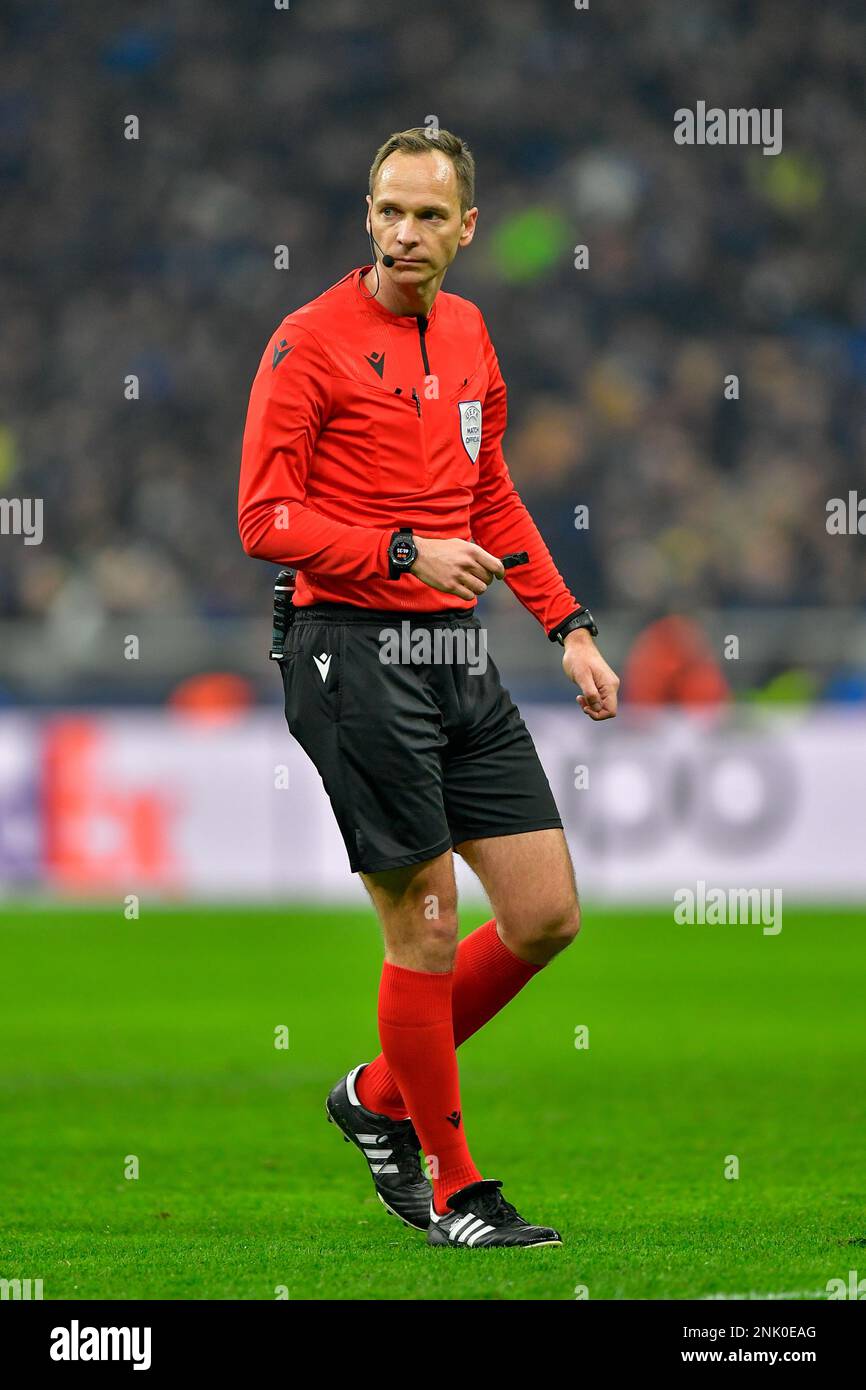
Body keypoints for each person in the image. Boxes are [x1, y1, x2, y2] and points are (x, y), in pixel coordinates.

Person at [238, 127, 620, 1249]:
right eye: (387, 211)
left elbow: (489, 493)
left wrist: (570, 626)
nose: (404, 233)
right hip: (347, 651)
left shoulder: (466, 333)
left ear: (465, 229)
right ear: (367, 217)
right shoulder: (304, 343)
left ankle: (374, 1093)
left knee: (544, 913)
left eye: (425, 215)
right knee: (428, 925)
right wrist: (402, 552)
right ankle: (456, 1190)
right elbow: (265, 520)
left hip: (453, 651)